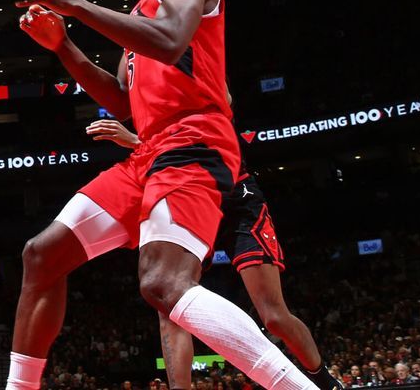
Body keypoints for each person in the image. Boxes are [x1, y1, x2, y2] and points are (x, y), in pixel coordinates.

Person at [3, 0, 313, 390]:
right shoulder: (138, 11)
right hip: (149, 150)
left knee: (163, 285)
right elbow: (120, 102)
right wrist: (63, 45)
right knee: (42, 256)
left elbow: (170, 43)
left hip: (195, 139)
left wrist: (77, 6)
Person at [87, 119, 340, 390]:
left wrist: (138, 142)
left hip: (234, 194)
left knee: (274, 317)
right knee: (169, 304)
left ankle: (324, 381)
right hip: (189, 193)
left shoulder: (199, 87)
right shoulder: (145, 99)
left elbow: (209, 131)